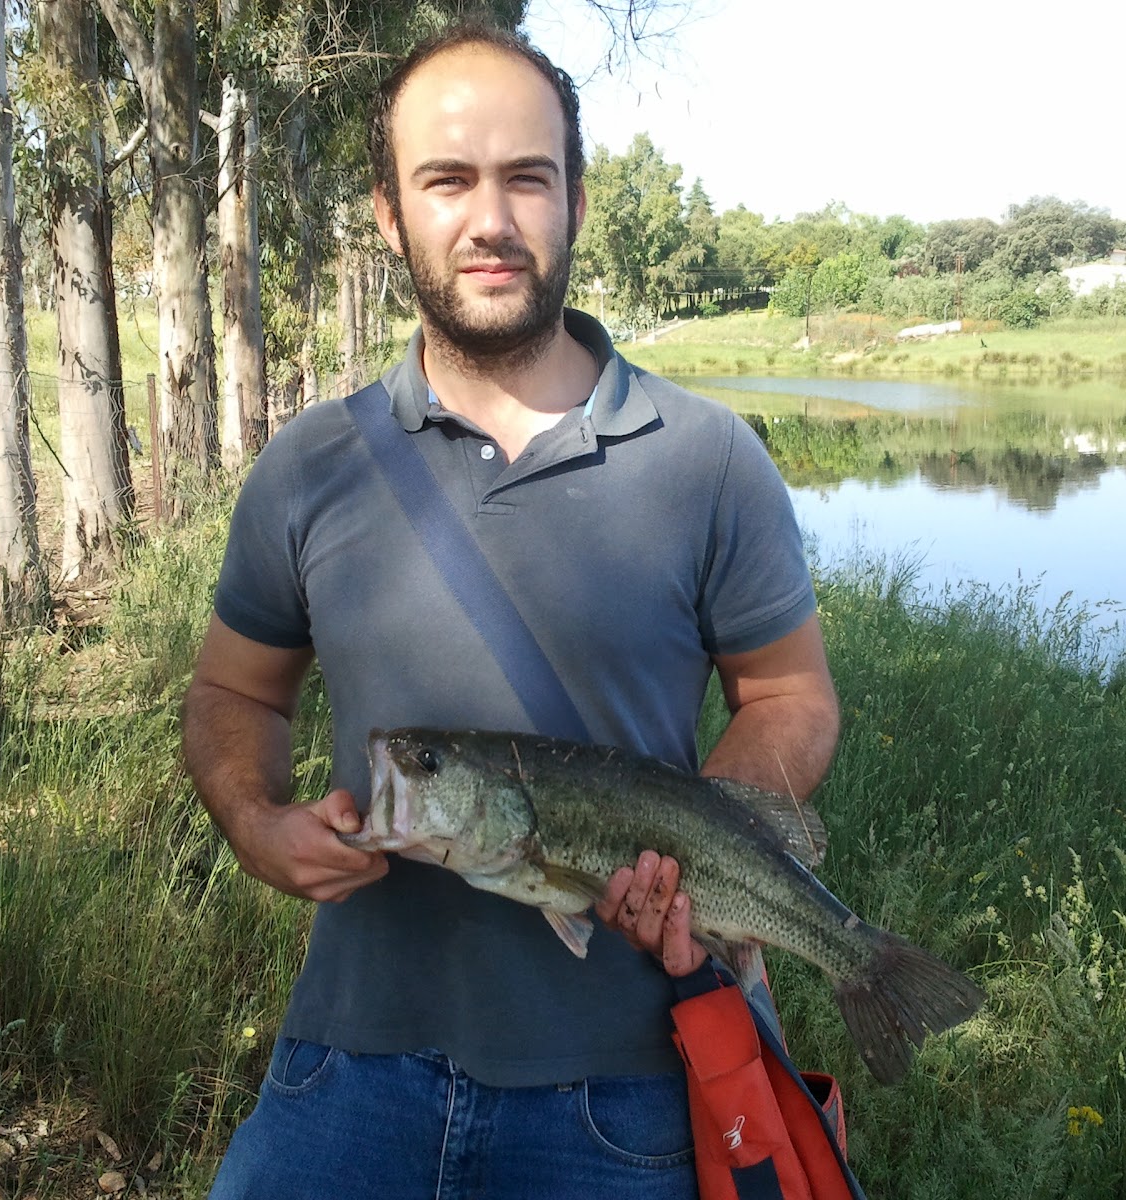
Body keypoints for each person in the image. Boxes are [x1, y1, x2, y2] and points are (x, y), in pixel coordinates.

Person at [185, 21, 840, 1200]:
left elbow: (789, 696)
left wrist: (700, 854)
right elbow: (235, 691)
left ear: (575, 201)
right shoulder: (309, 465)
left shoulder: (710, 460)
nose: (490, 219)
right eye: (447, 179)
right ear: (390, 212)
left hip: (633, 1085)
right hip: (347, 1063)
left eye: (526, 177)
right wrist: (249, 818)